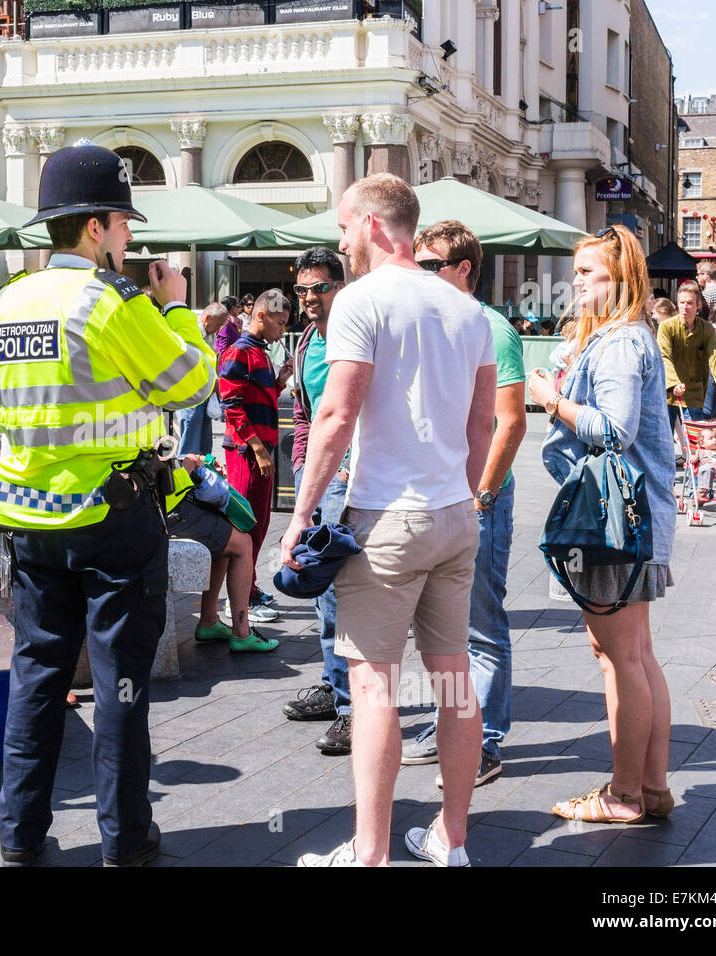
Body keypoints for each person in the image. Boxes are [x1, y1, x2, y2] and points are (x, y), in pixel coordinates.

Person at [0, 142, 216, 867]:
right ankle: (123, 840)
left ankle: (18, 837)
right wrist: (176, 309)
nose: (132, 238)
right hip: (112, 514)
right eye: (124, 223)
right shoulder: (112, 302)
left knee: (37, 676)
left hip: (25, 516)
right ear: (95, 227)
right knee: (120, 686)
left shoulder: (9, 300)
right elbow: (189, 382)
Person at [287, 173, 496, 868]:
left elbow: (336, 416)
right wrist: (460, 494)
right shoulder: (468, 309)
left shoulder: (361, 301)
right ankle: (451, 839)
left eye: (344, 228)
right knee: (453, 680)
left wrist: (301, 515)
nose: (340, 242)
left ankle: (370, 855)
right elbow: (480, 421)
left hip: (386, 518)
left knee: (373, 684)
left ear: (375, 226)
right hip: (452, 517)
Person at [527, 224, 676, 826]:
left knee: (619, 656)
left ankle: (623, 794)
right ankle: (652, 787)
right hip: (637, 518)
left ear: (620, 279)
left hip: (614, 521)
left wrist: (551, 399)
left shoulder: (618, 342)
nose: (575, 281)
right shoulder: (628, 337)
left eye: (586, 273)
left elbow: (614, 429)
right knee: (635, 653)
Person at [401, 220, 528, 789]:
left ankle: (487, 740)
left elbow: (511, 422)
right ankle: (450, 727)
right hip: (440, 495)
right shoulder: (433, 326)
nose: (420, 275)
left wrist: (483, 495)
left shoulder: (490, 327)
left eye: (432, 266)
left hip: (478, 497)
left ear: (464, 270)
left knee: (480, 625)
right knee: (442, 632)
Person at [283, 246, 355, 757]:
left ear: (341, 287)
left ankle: (357, 709)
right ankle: (336, 688)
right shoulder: (307, 342)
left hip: (359, 480)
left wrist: (353, 465)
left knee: (351, 594)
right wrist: (302, 463)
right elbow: (308, 415)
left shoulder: (358, 336)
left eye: (319, 288)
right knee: (322, 590)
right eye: (302, 289)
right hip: (320, 479)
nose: (309, 298)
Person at [219, 288, 293, 627]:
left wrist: (279, 382)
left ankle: (248, 588)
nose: (282, 330)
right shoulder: (239, 351)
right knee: (247, 527)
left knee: (258, 526)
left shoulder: (258, 351)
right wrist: (259, 449)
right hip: (246, 452)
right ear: (260, 316)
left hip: (256, 449)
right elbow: (230, 405)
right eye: (279, 323)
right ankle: (242, 597)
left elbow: (253, 398)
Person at [167, 454, 275, 652]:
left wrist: (189, 459)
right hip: (169, 508)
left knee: (225, 538)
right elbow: (164, 481)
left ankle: (209, 621)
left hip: (160, 507)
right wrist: (189, 466)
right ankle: (242, 634)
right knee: (243, 544)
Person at [658, 281, 716, 425]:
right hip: (668, 392)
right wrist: (674, 384)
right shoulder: (666, 326)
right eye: (682, 302)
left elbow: (715, 356)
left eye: (690, 303)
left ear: (698, 305)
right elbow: (664, 356)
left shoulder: (707, 329)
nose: (685, 307)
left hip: (694, 393)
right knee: (664, 442)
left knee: (695, 440)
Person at [175, 302, 226, 456]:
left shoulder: (210, 334)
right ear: (208, 318)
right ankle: (188, 475)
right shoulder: (192, 332)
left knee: (204, 441)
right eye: (217, 325)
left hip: (204, 391)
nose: (218, 330)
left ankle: (203, 473)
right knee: (190, 440)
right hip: (191, 392)